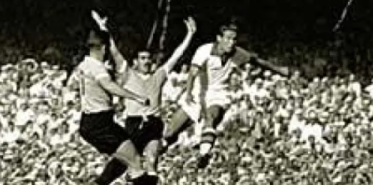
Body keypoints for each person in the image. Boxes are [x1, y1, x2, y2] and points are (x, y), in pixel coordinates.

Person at [161, 23, 292, 169]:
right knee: (169, 133)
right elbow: (192, 72)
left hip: (218, 94)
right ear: (219, 38)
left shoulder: (237, 54)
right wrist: (189, 93)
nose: (231, 43)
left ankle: (204, 154)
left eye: (234, 39)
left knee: (210, 118)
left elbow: (256, 61)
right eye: (228, 39)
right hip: (197, 93)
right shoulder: (204, 51)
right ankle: (159, 151)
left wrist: (278, 69)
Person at [108, 16, 197, 174]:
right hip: (134, 123)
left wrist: (189, 35)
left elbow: (176, 56)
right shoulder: (129, 74)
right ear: (135, 61)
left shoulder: (158, 76)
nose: (146, 61)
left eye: (149, 58)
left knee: (152, 161)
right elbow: (114, 51)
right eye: (142, 58)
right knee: (129, 164)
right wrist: (103, 29)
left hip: (153, 123)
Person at [71, 28, 160, 185]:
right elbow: (109, 85)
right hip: (100, 124)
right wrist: (136, 96)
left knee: (128, 162)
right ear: (104, 48)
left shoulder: (84, 64)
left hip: (91, 122)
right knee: (135, 163)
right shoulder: (97, 67)